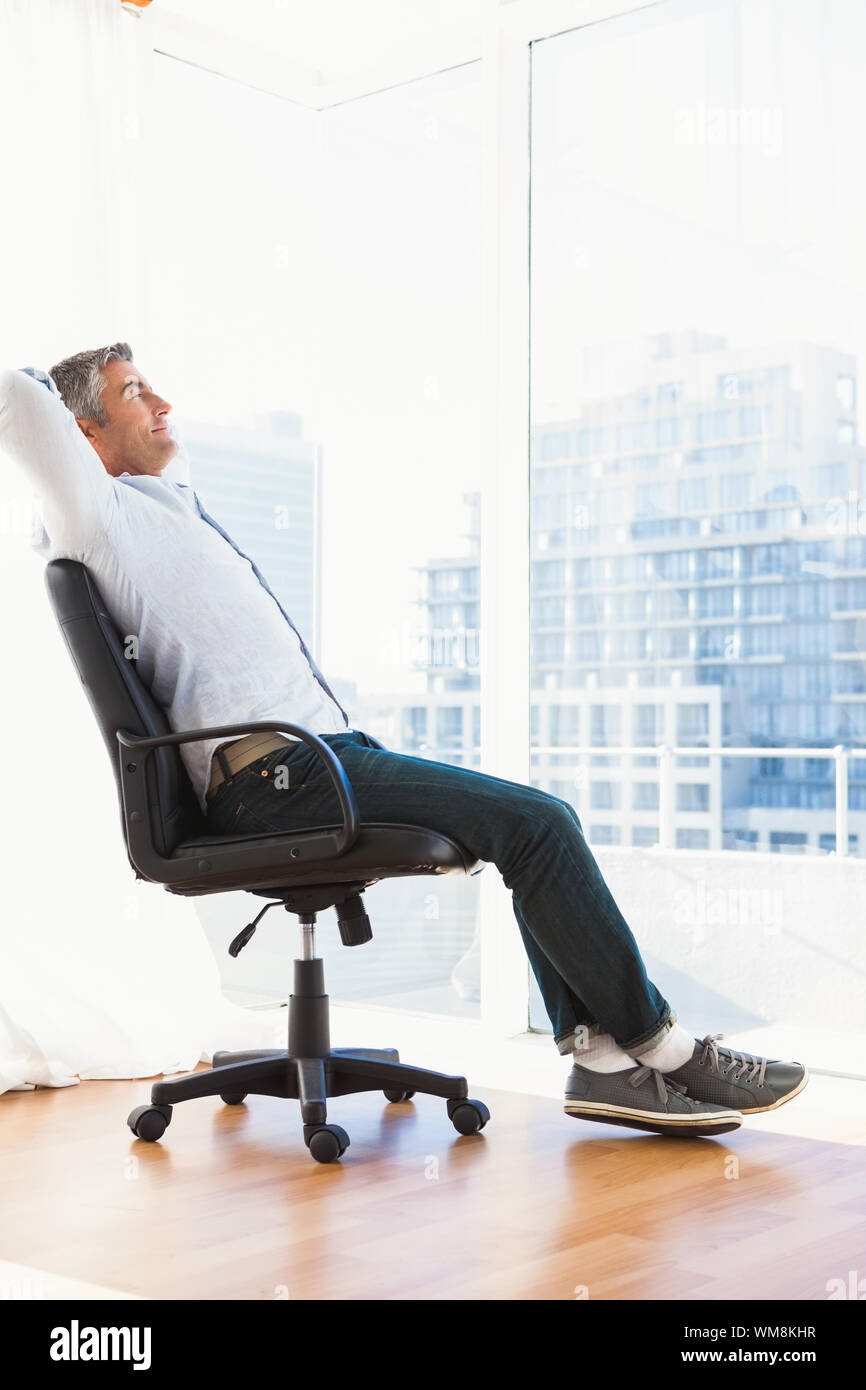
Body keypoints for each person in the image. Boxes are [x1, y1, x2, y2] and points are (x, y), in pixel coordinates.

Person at [0, 345, 808, 1138]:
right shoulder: (94, 516)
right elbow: (19, 403)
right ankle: (665, 1049)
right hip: (277, 776)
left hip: (323, 758)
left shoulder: (169, 503)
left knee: (528, 832)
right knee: (542, 823)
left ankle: (601, 1059)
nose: (163, 403)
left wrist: (125, 393)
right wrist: (52, 391)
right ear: (83, 434)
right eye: (134, 391)